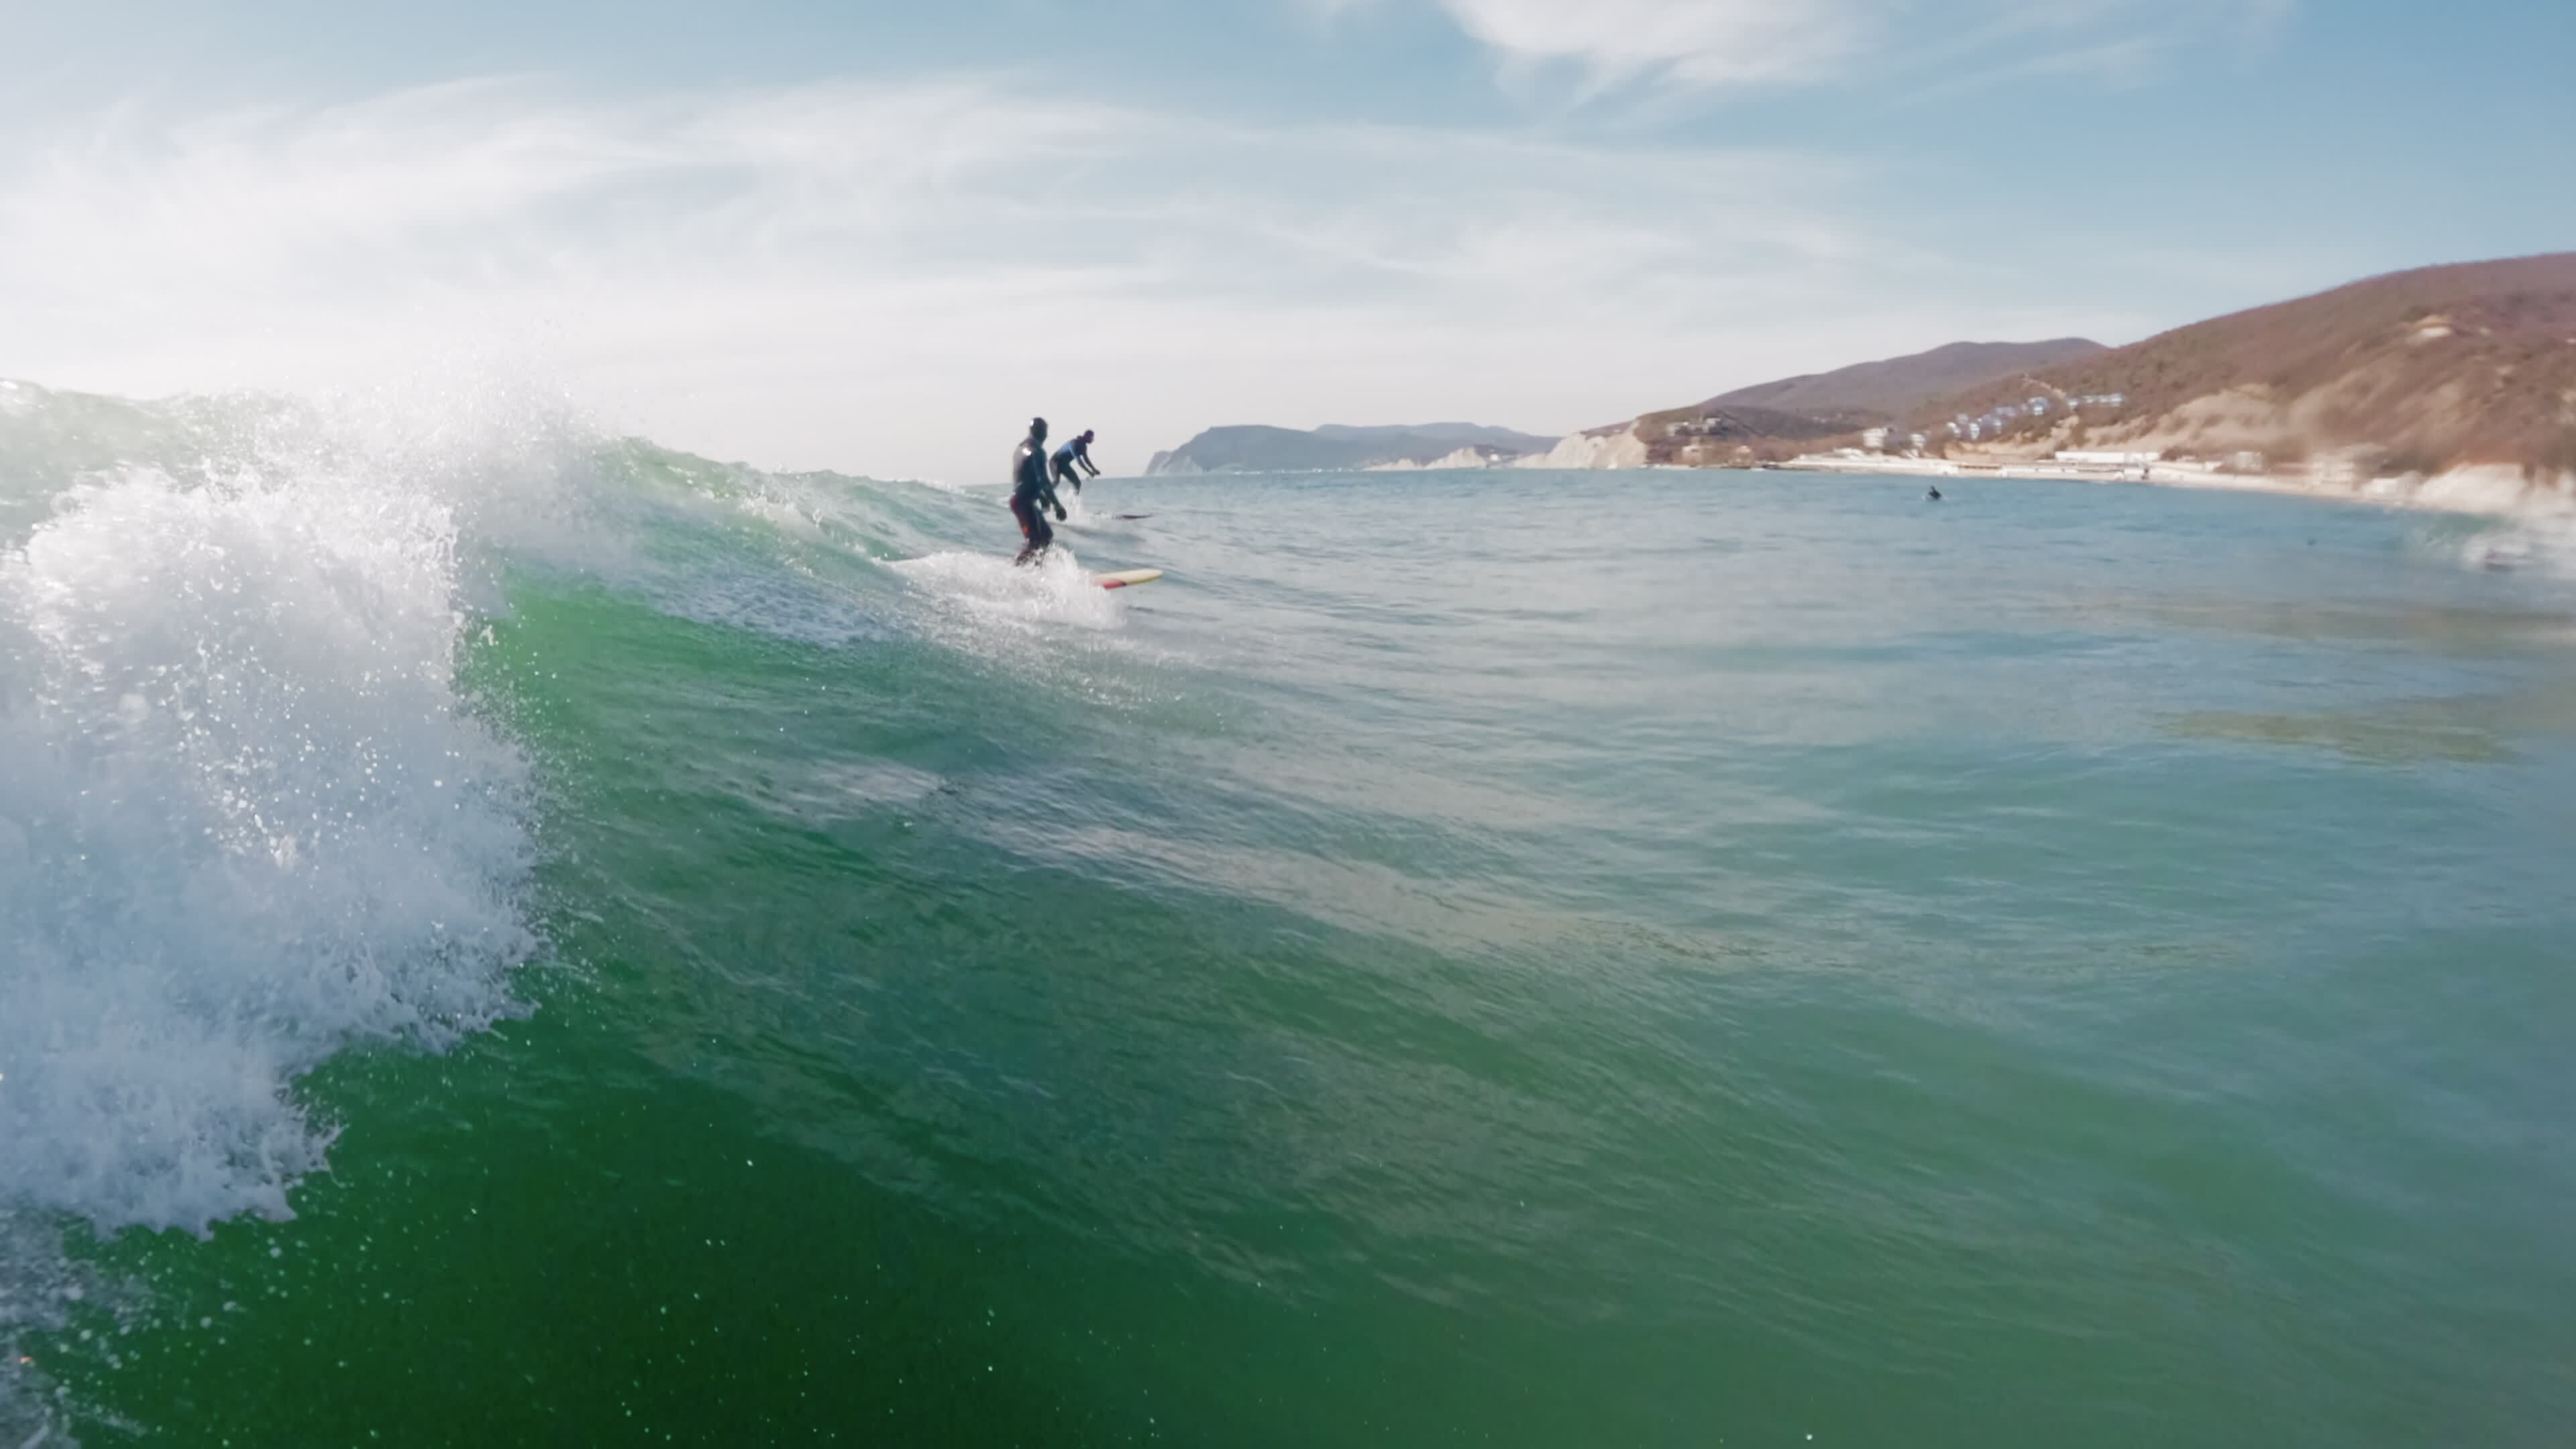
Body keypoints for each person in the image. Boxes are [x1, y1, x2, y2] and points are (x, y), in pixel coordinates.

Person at [1010, 417, 1067, 565]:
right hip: (1023, 502)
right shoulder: (1037, 451)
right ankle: (1014, 571)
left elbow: (1026, 478)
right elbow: (1043, 480)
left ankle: (1035, 570)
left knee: (1046, 536)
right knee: (1035, 541)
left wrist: (1040, 496)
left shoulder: (1021, 448)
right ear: (1041, 432)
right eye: (1046, 432)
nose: (1047, 436)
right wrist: (1057, 505)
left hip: (1022, 501)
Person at [1052, 429, 1102, 494]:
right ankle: (1044, 496)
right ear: (1087, 437)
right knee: (1056, 481)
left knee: (1077, 484)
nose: (1093, 440)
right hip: (1055, 462)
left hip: (1064, 465)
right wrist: (1089, 472)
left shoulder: (1084, 446)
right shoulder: (1075, 443)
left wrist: (1094, 469)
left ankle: (1073, 503)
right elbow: (1079, 462)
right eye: (1092, 437)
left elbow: (1086, 460)